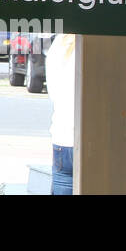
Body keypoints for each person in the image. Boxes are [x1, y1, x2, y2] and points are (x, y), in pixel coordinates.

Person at [45, 33, 76, 194]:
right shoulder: (99, 42)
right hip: (91, 140)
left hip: (62, 138)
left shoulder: (59, 44)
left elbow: (53, 94)